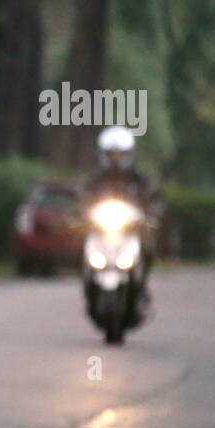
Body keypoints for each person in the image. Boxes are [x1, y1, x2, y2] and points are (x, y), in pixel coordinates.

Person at [84, 125, 161, 318]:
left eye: (121, 153)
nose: (116, 157)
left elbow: (155, 197)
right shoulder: (96, 178)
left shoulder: (138, 178)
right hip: (102, 230)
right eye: (113, 153)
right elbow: (82, 197)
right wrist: (81, 212)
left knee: (148, 247)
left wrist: (153, 213)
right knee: (83, 247)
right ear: (105, 154)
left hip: (130, 229)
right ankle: (88, 285)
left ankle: (141, 285)